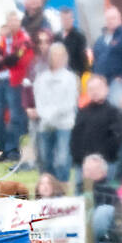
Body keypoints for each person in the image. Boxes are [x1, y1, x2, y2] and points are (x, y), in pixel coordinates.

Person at [0, 12, 33, 163]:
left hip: (15, 82)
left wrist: (3, 60)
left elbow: (16, 59)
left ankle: (13, 150)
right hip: (0, 81)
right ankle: (4, 149)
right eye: (10, 21)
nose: (13, 24)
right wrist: (2, 60)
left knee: (15, 117)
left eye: (16, 21)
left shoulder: (24, 40)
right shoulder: (3, 40)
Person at [30, 43, 79, 181]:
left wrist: (49, 114)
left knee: (62, 159)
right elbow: (38, 99)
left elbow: (69, 103)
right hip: (45, 125)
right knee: (45, 159)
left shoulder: (69, 78)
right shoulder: (42, 77)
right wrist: (41, 113)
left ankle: (62, 186)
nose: (57, 58)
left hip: (64, 124)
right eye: (54, 55)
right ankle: (48, 187)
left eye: (60, 55)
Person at [70, 74, 122, 187]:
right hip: (83, 164)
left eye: (98, 88)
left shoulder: (113, 112)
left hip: (106, 163)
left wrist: (104, 157)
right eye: (91, 89)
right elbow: (75, 137)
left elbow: (117, 137)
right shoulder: (83, 112)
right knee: (84, 195)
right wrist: (79, 159)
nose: (95, 92)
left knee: (105, 194)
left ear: (106, 89)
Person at [91, 8, 122, 104]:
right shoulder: (100, 40)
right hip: (100, 82)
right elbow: (95, 60)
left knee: (118, 108)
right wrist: (95, 75)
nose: (110, 21)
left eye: (113, 18)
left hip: (117, 83)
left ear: (120, 19)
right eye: (108, 19)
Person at [57, 7, 88, 76]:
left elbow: (83, 59)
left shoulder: (79, 36)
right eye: (64, 19)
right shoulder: (57, 37)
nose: (66, 22)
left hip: (75, 74)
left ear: (72, 19)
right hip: (59, 74)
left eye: (68, 19)